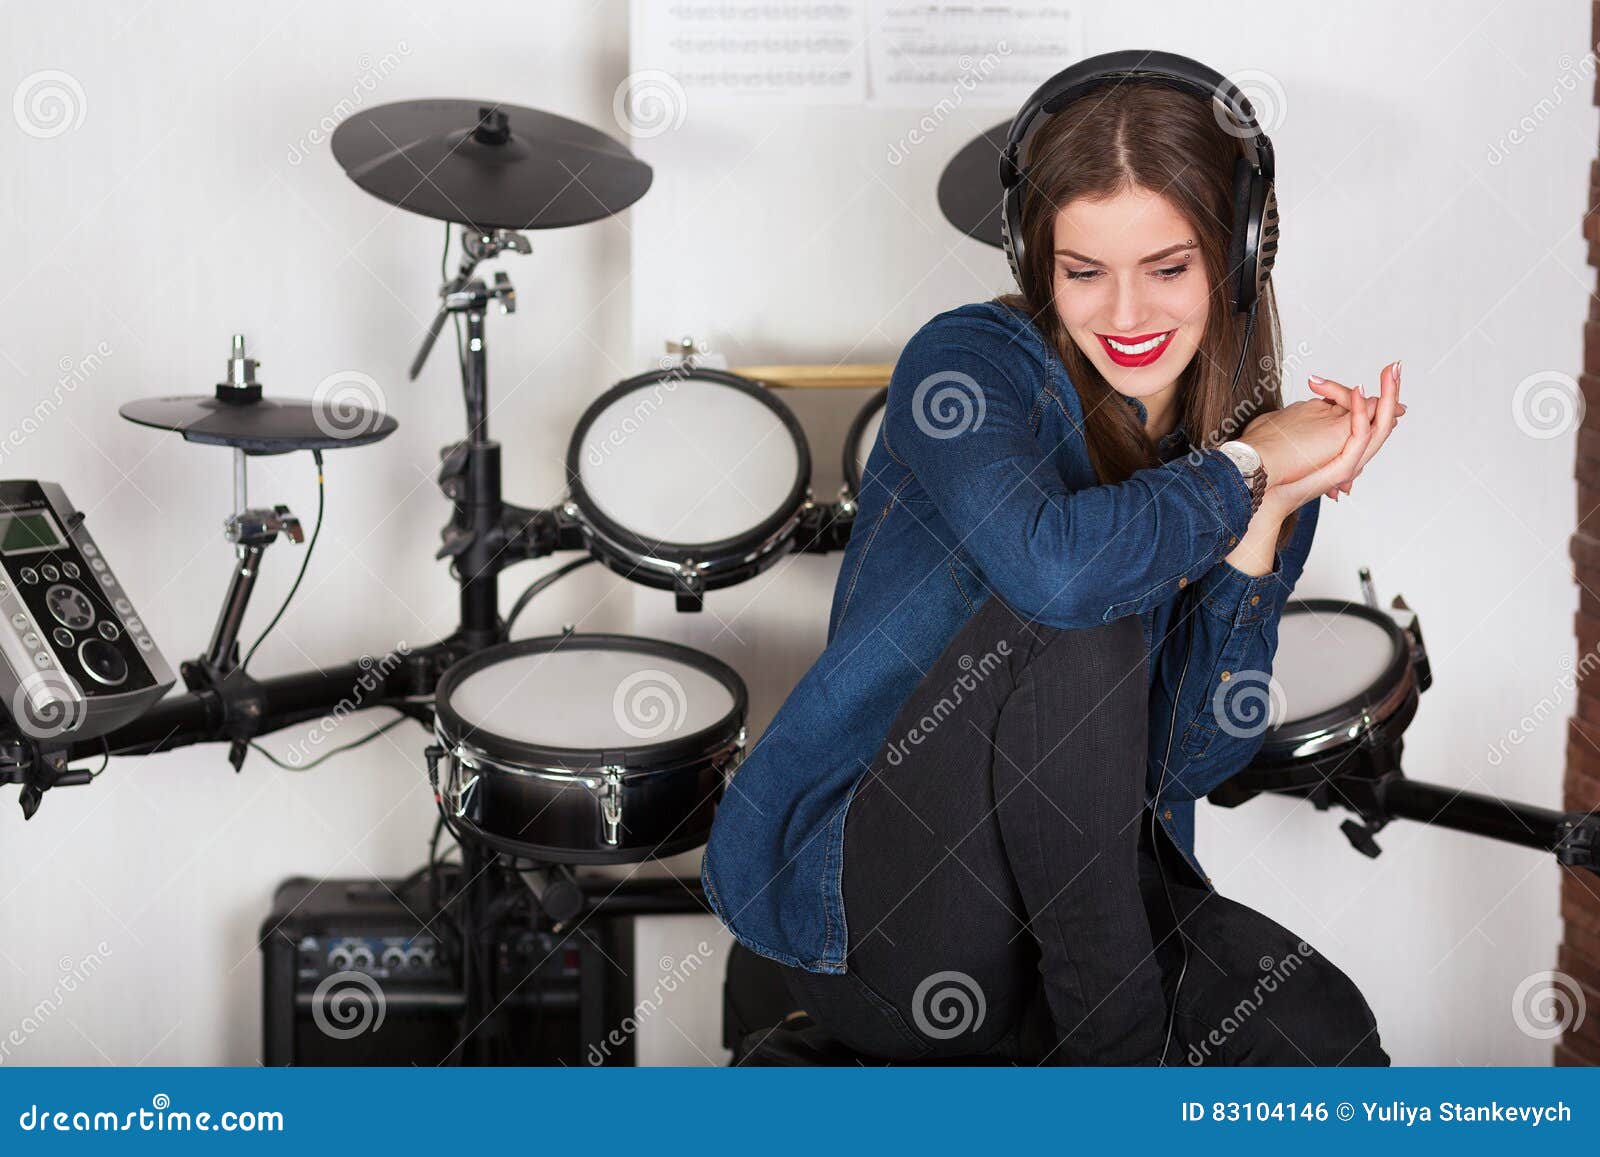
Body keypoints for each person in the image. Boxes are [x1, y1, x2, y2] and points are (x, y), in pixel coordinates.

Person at [701, 54, 1404, 1065]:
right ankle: (1111, 1079)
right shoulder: (968, 364)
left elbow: (1186, 763)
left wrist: (1259, 529)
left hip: (1083, 900)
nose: (1125, 314)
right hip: (886, 909)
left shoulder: (1255, 456)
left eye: (1167, 267)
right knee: (1081, 611)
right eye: (1083, 272)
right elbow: (1059, 577)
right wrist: (1247, 468)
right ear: (1039, 264)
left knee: (1323, 1034)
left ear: (1242, 253)